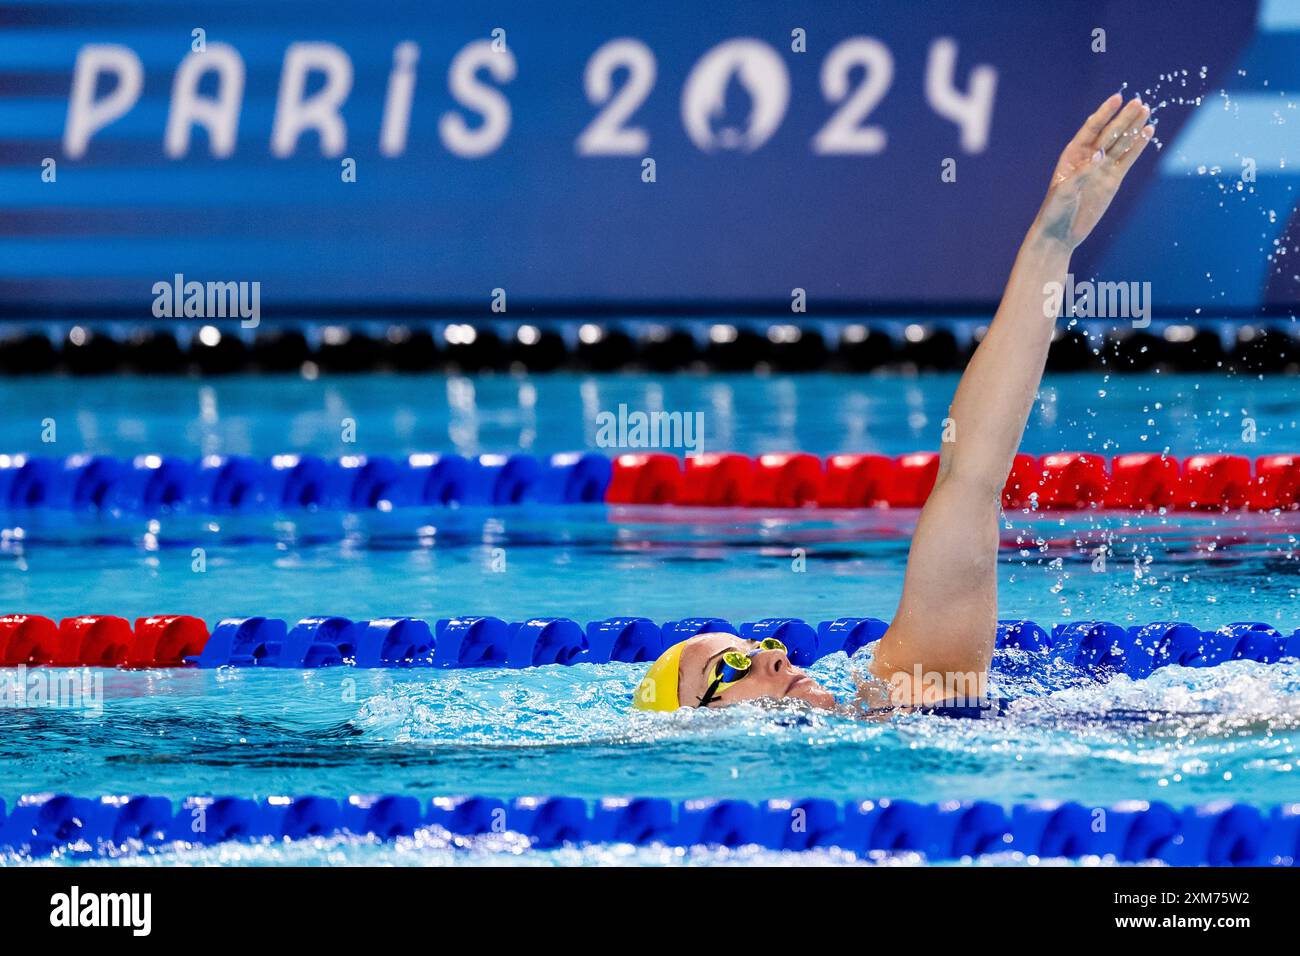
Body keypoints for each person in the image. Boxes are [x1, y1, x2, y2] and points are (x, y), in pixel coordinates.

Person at [633, 95, 1155, 715]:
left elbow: (970, 476)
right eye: (734, 666)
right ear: (698, 731)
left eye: (758, 646)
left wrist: (1053, 240)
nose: (775, 655)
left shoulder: (907, 681)